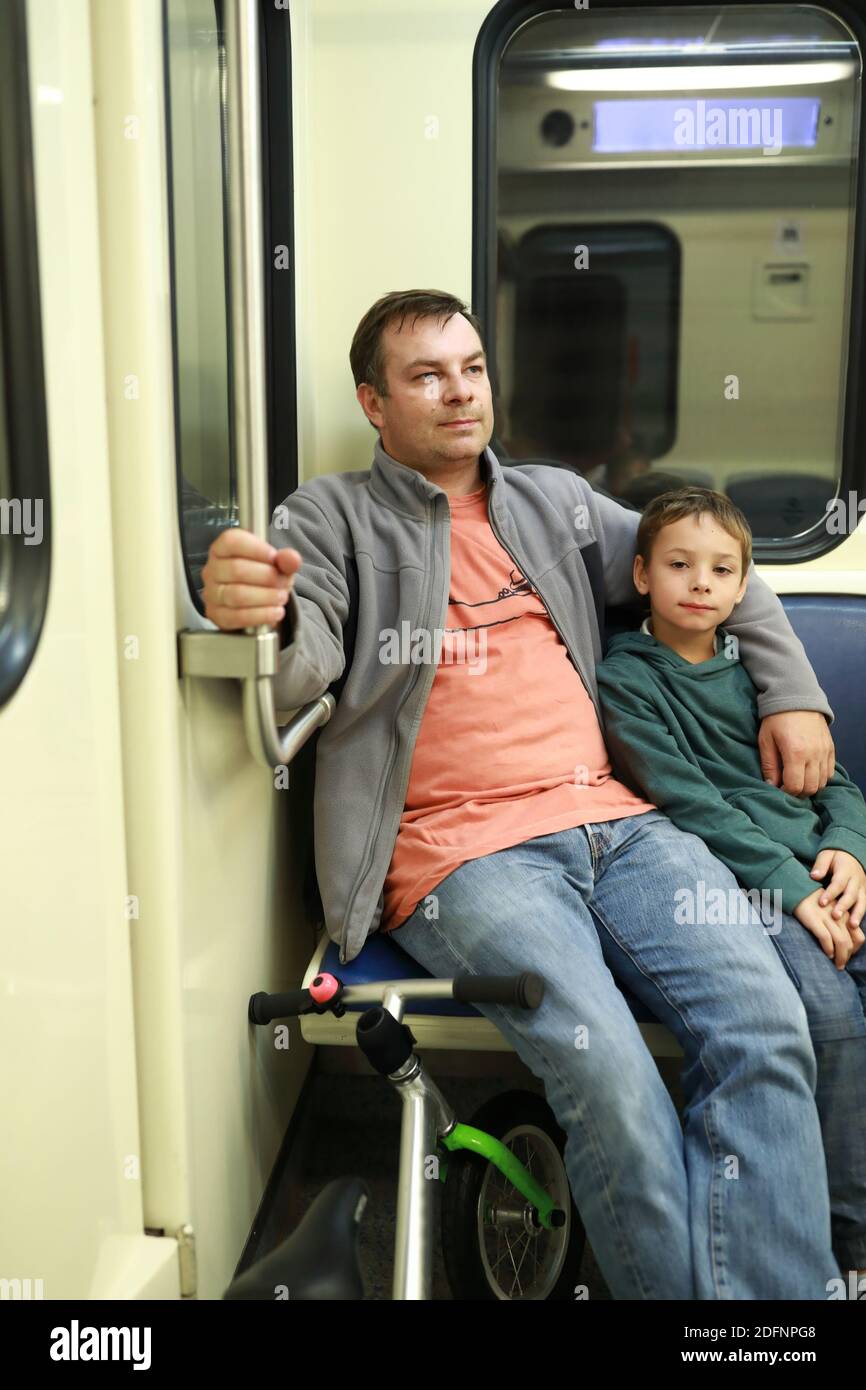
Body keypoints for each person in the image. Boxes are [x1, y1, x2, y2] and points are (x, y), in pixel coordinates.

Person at [202, 288, 842, 1300]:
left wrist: (793, 699)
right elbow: (298, 669)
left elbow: (732, 570)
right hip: (463, 853)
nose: (459, 393)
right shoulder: (329, 517)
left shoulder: (559, 503)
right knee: (612, 1079)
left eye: (471, 369)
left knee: (764, 1026)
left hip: (623, 827)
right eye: (426, 375)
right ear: (374, 403)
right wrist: (251, 614)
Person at [595, 486, 866, 1296]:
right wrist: (794, 889)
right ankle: (850, 1243)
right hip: (753, 883)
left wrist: (851, 854)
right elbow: (690, 800)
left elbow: (836, 784)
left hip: (824, 870)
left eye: (721, 570)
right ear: (642, 575)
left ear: (744, 588)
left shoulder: (760, 679)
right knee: (826, 1012)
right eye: (679, 565)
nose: (700, 583)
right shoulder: (627, 679)